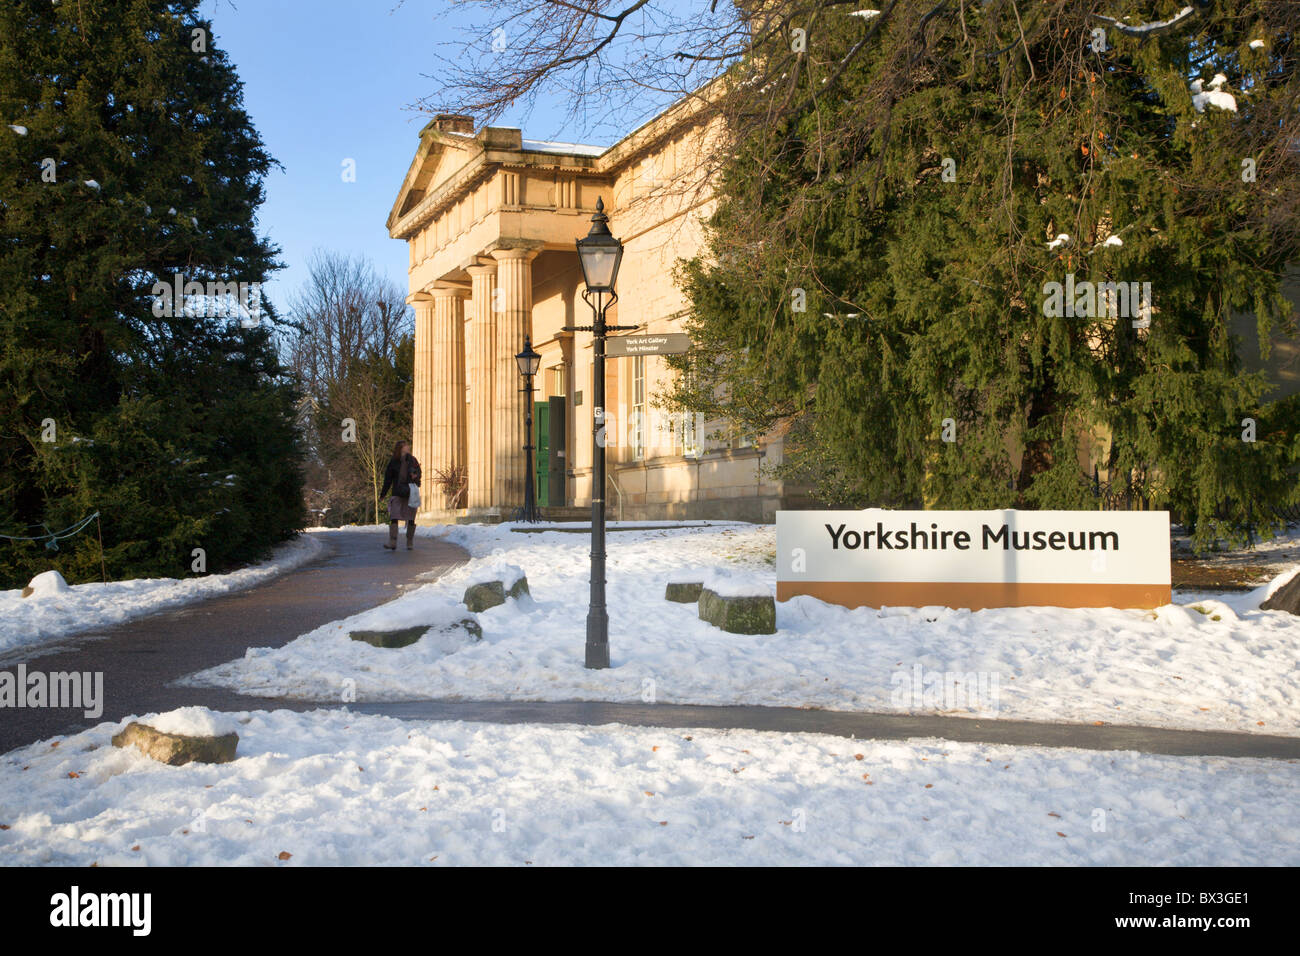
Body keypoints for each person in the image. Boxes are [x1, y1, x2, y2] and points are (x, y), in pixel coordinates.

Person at [379, 440, 421, 550]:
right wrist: (383, 494)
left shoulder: (413, 460)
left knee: (411, 517)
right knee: (394, 516)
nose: (408, 447)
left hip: (410, 492)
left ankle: (409, 542)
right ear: (400, 448)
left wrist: (415, 477)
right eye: (406, 446)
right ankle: (392, 542)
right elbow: (388, 479)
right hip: (397, 492)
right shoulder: (393, 462)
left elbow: (419, 473)